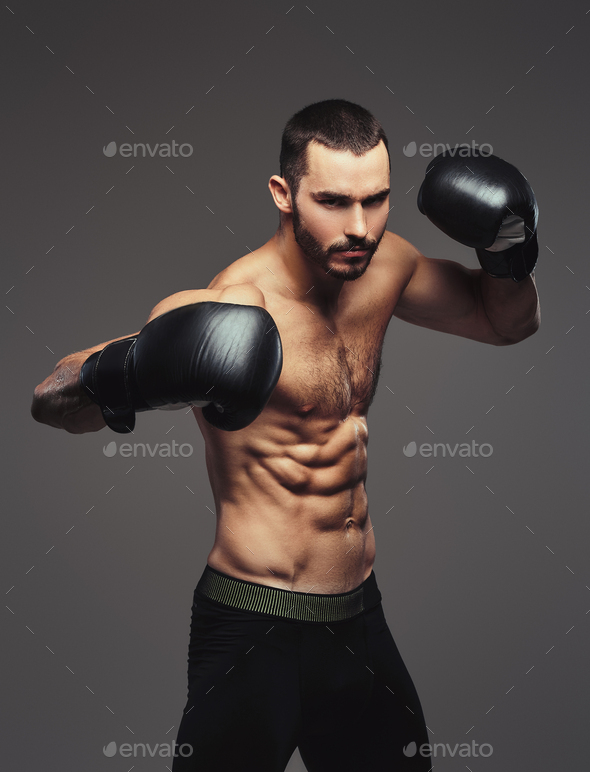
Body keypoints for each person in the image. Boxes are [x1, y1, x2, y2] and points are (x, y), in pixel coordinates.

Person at [31, 99, 540, 771]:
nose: (359, 227)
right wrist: (122, 372)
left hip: (358, 618)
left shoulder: (384, 266)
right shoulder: (235, 304)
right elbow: (52, 401)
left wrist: (508, 252)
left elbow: (506, 323)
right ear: (284, 194)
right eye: (333, 201)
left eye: (376, 200)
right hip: (253, 626)